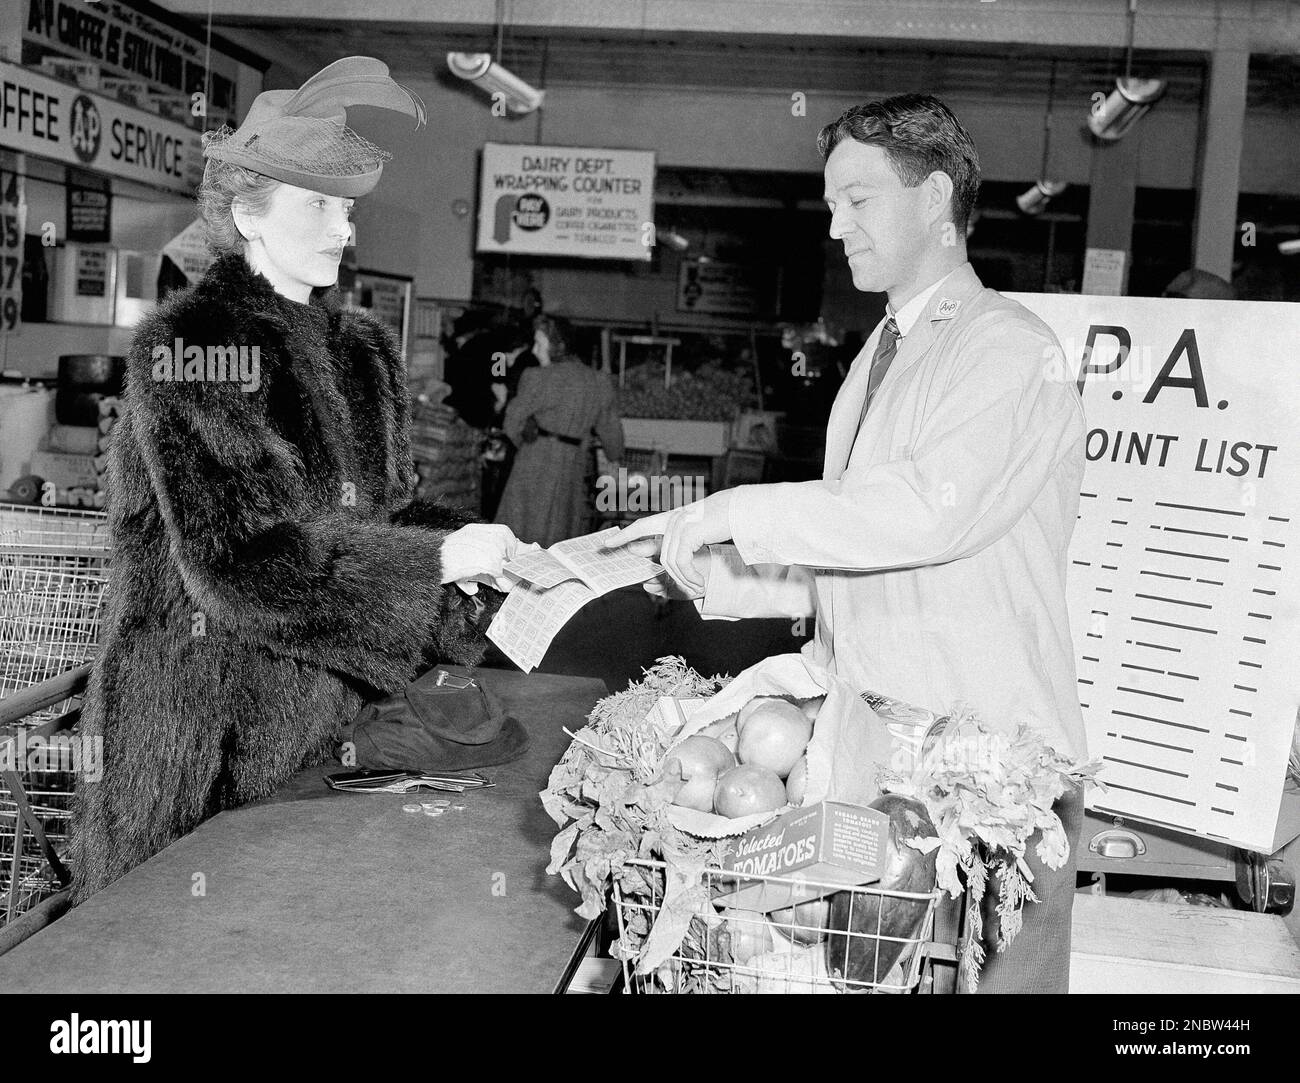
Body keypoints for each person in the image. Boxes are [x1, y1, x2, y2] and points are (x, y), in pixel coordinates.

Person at [610, 94, 1087, 993]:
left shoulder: (1009, 350)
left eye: (858, 200)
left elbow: (921, 513)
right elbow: (860, 556)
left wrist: (737, 509)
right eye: (832, 204)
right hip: (888, 764)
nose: (836, 227)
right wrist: (708, 574)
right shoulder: (879, 356)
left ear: (936, 195)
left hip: (989, 769)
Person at [69, 58, 525, 903]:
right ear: (248, 212)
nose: (343, 229)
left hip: (320, 728)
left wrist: (479, 565)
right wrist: (432, 565)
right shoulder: (191, 347)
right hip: (195, 742)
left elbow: (387, 512)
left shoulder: (362, 353)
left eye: (346, 208)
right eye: (318, 203)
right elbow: (240, 561)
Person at [494, 316, 624, 546]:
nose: (534, 351)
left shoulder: (537, 377)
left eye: (539, 344)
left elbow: (511, 421)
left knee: (520, 531)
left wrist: (526, 443)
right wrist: (614, 458)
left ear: (557, 346)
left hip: (535, 461)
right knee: (563, 530)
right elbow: (612, 435)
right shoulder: (599, 382)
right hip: (574, 463)